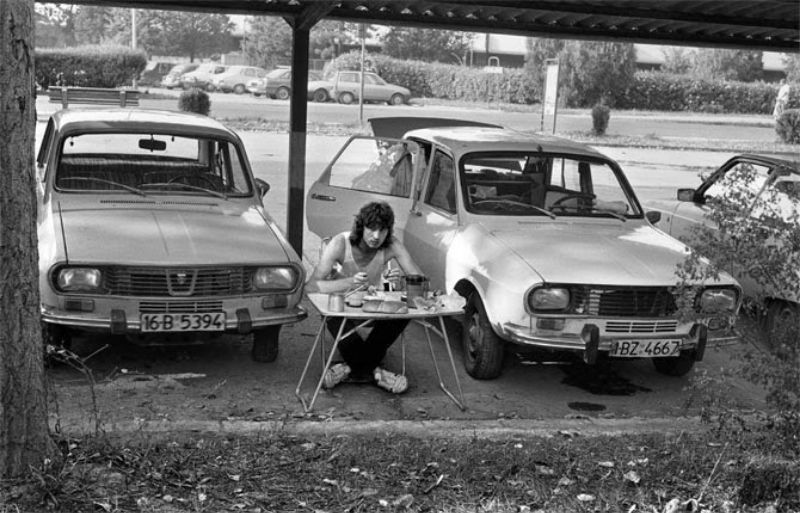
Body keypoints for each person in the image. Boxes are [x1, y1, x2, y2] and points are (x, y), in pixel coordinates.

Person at [306, 201, 423, 394]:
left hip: (373, 310)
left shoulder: (391, 244)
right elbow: (311, 287)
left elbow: (419, 281)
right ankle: (376, 371)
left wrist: (402, 281)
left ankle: (349, 368)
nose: (376, 236)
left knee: (405, 313)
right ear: (361, 227)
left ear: (388, 231)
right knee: (333, 315)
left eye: (382, 230)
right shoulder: (340, 243)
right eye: (371, 229)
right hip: (342, 311)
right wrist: (349, 282)